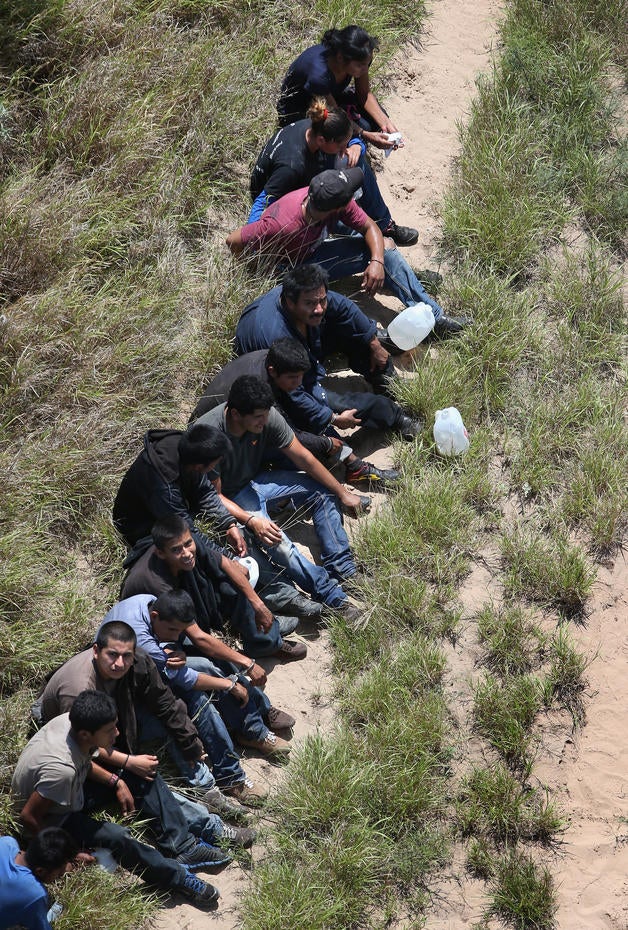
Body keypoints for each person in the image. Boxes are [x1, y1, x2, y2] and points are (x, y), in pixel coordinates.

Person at [12, 691, 227, 910]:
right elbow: (29, 817)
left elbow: (84, 761)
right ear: (86, 734)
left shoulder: (71, 723)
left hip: (68, 793)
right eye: (110, 730)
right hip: (53, 818)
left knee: (141, 774)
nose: (116, 732)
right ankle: (176, 878)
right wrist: (67, 855)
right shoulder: (61, 771)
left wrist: (116, 782)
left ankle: (182, 847)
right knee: (117, 837)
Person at [112, 422, 311, 658]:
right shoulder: (163, 487)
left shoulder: (187, 452)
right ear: (200, 465)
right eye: (213, 466)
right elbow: (189, 534)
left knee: (228, 574)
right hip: (147, 533)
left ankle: (264, 632)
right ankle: (248, 627)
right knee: (209, 579)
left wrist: (228, 524)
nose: (214, 470)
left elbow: (205, 492)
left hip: (175, 526)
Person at [36, 620, 247, 819]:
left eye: (126, 656)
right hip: (75, 738)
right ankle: (206, 823)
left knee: (174, 724)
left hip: (115, 716)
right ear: (96, 651)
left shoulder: (137, 660)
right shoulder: (78, 690)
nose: (120, 663)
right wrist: (129, 762)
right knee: (141, 779)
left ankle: (207, 790)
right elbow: (81, 746)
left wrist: (189, 742)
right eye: (112, 655)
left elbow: (165, 702)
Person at [227, 167, 469, 338]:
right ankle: (401, 293)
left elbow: (370, 227)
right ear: (334, 208)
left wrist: (376, 261)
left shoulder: (326, 196)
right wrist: (255, 271)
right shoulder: (283, 224)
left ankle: (432, 317)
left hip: (313, 252)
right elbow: (233, 240)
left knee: (384, 248)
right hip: (293, 269)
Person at [194, 376, 368, 612]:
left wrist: (342, 492)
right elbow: (213, 496)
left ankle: (342, 567)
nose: (265, 421)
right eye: (259, 417)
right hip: (231, 497)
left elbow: (303, 457)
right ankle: (329, 594)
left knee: (323, 492)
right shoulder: (209, 434)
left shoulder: (265, 415)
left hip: (257, 480)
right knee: (276, 540)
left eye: (267, 414)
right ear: (235, 414)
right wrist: (251, 520)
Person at [119, 522, 298, 749]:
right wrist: (247, 663)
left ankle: (261, 705)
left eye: (188, 544)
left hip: (172, 628)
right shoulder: (156, 582)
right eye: (177, 550)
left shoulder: (187, 544)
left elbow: (226, 564)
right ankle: (252, 730)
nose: (186, 553)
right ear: (160, 553)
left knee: (233, 594)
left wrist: (258, 604)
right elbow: (200, 639)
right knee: (211, 664)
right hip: (150, 650)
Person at [99, 592, 289, 795]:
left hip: (144, 674)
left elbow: (180, 646)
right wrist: (229, 685)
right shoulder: (142, 641)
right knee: (199, 699)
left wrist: (172, 648)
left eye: (179, 631)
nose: (176, 636)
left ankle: (251, 731)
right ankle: (231, 776)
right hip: (128, 695)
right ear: (155, 616)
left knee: (207, 665)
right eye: (172, 630)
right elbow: (187, 679)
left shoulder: (147, 600)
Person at [190, 337, 401, 489]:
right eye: (293, 378)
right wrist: (325, 443)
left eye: (301, 376)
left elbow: (299, 407)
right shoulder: (261, 389)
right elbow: (288, 436)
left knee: (312, 426)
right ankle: (350, 468)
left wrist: (332, 419)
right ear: (273, 371)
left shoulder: (275, 363)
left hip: (246, 423)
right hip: (218, 443)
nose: (298, 382)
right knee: (307, 451)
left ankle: (354, 466)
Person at [251, 97, 418, 245]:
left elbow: (349, 138)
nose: (344, 150)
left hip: (308, 172)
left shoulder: (319, 126)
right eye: (341, 146)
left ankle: (384, 224)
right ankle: (371, 240)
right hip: (293, 195)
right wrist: (251, 241)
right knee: (346, 221)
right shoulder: (291, 167)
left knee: (356, 159)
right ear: (322, 140)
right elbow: (262, 202)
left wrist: (356, 146)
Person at [277, 25, 396, 145]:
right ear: (340, 58)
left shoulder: (358, 58)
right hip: (304, 107)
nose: (365, 69)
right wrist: (364, 134)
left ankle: (359, 142)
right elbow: (336, 115)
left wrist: (386, 124)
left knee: (376, 120)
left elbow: (364, 93)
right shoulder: (319, 75)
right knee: (342, 133)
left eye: (367, 63)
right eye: (360, 65)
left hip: (332, 96)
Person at [0, 828, 78, 930]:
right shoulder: (34, 893)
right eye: (59, 872)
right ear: (40, 871)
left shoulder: (6, 842)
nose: (63, 873)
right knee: (56, 910)